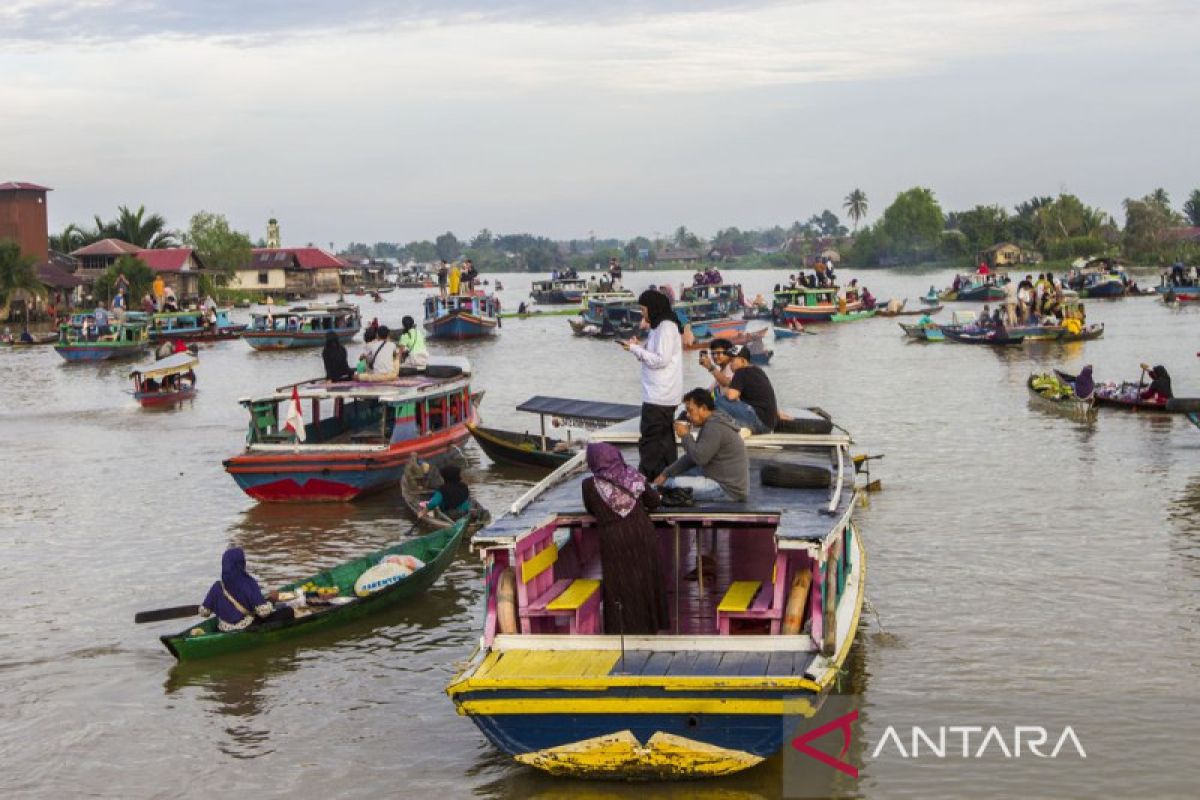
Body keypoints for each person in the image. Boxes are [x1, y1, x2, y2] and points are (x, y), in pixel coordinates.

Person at [581, 442, 669, 635]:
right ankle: (650, 627)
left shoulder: (589, 485)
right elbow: (653, 502)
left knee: (619, 584)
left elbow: (591, 509)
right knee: (644, 580)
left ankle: (620, 629)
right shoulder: (633, 476)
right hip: (641, 533)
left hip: (614, 540)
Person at [620, 289, 683, 479]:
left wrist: (635, 350)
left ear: (653, 307)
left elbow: (660, 360)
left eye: (643, 309)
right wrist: (638, 347)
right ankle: (666, 476)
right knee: (664, 440)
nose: (643, 313)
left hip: (659, 395)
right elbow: (654, 354)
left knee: (650, 439)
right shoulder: (659, 327)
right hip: (663, 393)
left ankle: (645, 478)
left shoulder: (666, 327)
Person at [652, 388, 748, 502]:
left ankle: (649, 493)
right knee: (671, 477)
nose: (687, 415)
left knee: (670, 484)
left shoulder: (714, 427)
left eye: (690, 410)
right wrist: (665, 473)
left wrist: (685, 436)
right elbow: (691, 458)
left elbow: (699, 458)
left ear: (703, 408)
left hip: (726, 490)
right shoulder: (713, 422)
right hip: (721, 480)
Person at [198, 548, 298, 632]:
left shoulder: (217, 586)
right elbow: (264, 613)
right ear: (241, 563)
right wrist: (273, 599)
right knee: (288, 611)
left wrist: (219, 606)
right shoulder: (248, 583)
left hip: (223, 629)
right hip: (247, 628)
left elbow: (204, 612)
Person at [716, 344, 778, 434]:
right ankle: (741, 426)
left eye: (733, 361)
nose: (730, 364)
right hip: (769, 425)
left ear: (743, 361)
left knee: (719, 400)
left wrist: (724, 390)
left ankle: (736, 426)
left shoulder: (741, 371)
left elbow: (731, 396)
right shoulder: (759, 371)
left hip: (758, 422)